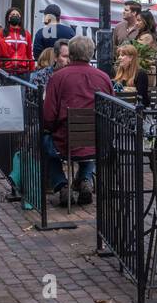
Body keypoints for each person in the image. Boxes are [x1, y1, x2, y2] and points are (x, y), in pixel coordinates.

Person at [42, 36, 112, 207]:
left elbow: (49, 116)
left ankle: (62, 184)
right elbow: (111, 111)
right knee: (90, 141)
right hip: (96, 141)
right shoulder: (103, 78)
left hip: (64, 142)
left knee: (43, 140)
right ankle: (85, 179)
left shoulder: (58, 78)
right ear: (91, 54)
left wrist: (47, 129)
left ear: (71, 53)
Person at [0, 7, 34, 77]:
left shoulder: (26, 34)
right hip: (6, 72)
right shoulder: (1, 33)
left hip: (23, 72)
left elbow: (30, 54)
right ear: (8, 18)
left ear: (20, 18)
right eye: (12, 15)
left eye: (17, 15)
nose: (15, 16)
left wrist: (31, 70)